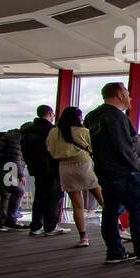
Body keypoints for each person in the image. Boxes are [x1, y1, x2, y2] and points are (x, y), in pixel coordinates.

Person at [84, 82, 140, 264]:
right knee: (138, 208)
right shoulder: (116, 117)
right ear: (120, 94)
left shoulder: (93, 116)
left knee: (110, 211)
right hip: (125, 172)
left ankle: (115, 251)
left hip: (106, 172)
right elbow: (123, 148)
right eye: (128, 93)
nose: (130, 98)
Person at [46, 106, 106, 248]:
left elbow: (49, 148)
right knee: (103, 200)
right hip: (84, 165)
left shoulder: (54, 132)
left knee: (77, 205)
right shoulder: (84, 132)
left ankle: (83, 237)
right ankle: (119, 228)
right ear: (78, 117)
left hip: (65, 168)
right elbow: (95, 148)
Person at [20, 105, 67, 237]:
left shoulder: (28, 130)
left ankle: (36, 226)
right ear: (50, 114)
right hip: (51, 167)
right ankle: (50, 226)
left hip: (35, 168)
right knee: (53, 196)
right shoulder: (52, 130)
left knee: (40, 196)